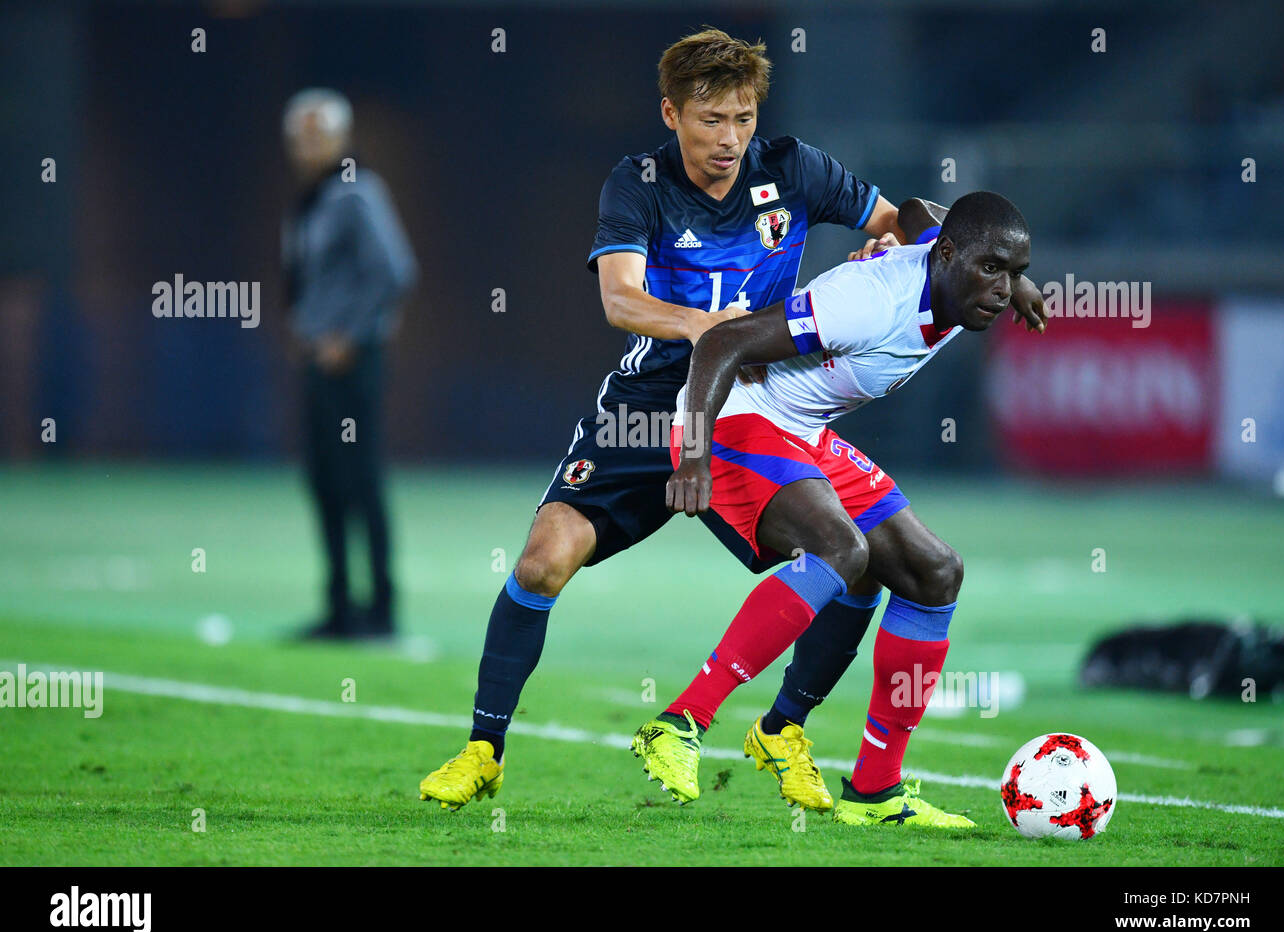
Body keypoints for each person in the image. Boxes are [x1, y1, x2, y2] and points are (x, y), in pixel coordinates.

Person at [418, 31, 1041, 811]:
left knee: (866, 557)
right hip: (657, 403)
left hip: (761, 396)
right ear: (671, 112)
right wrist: (716, 328)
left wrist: (979, 269)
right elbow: (620, 301)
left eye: (743, 118)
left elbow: (907, 219)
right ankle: (484, 750)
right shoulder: (637, 185)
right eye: (711, 119)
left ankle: (798, 737)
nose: (729, 138)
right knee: (547, 558)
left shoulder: (796, 169)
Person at [631, 191, 1043, 828]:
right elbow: (722, 343)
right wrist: (690, 455)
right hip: (737, 418)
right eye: (992, 270)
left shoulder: (959, 276)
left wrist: (1014, 281)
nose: (1001, 288)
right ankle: (680, 722)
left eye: (1012, 272)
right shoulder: (870, 300)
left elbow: (915, 211)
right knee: (842, 551)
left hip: (806, 429)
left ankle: (869, 788)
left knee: (933, 572)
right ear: (950, 257)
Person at [282, 88, 417, 638]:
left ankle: (381, 609)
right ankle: (339, 607)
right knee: (323, 480)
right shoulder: (310, 200)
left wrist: (349, 336)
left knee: (359, 478)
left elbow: (396, 271)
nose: (308, 145)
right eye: (300, 136)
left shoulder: (358, 192)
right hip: (318, 360)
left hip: (354, 363)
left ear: (342, 138)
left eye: (319, 134)